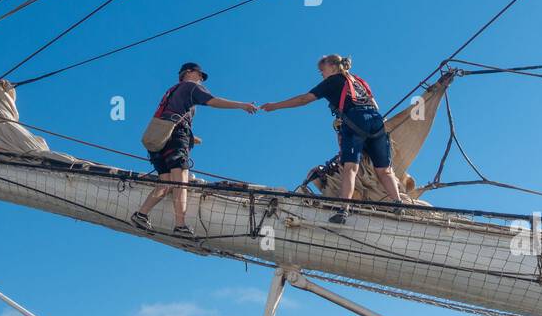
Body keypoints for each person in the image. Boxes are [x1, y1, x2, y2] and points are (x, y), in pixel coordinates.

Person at [262, 54, 403, 224]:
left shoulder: (332, 81)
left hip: (354, 121)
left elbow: (304, 99)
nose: (321, 74)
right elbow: (375, 104)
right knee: (384, 170)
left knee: (350, 168)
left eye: (322, 70)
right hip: (376, 122)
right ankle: (398, 204)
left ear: (334, 67)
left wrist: (275, 106)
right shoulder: (358, 81)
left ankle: (343, 210)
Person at [131, 62, 256, 236]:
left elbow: (170, 117)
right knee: (181, 181)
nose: (201, 80)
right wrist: (242, 105)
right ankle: (180, 225)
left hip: (159, 139)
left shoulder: (172, 91)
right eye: (200, 75)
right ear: (188, 73)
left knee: (166, 182)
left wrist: (190, 137)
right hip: (175, 138)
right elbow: (213, 101)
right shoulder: (190, 87)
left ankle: (141, 214)